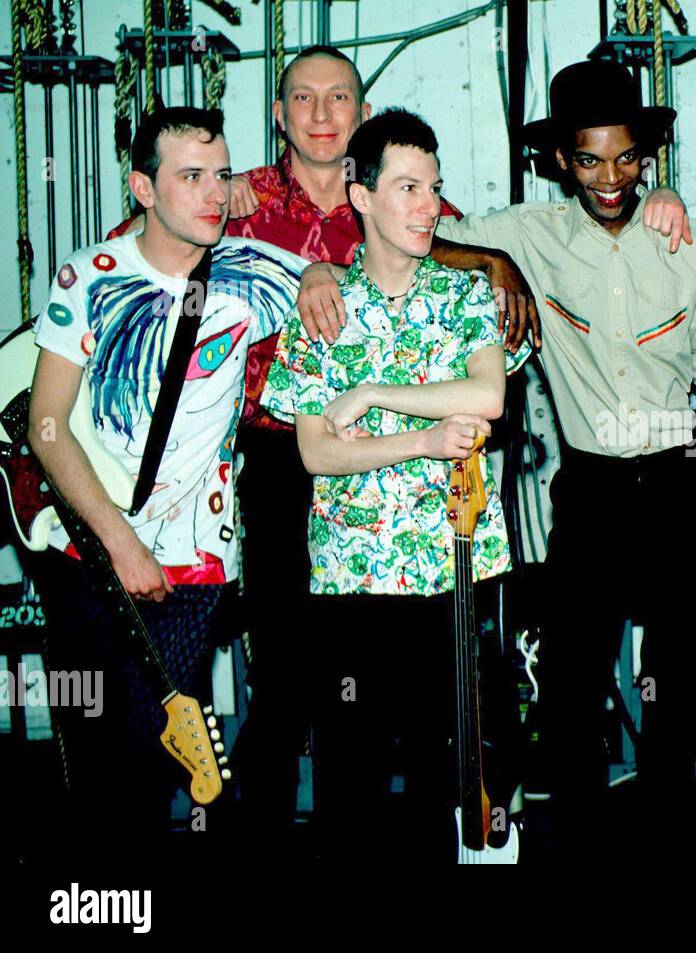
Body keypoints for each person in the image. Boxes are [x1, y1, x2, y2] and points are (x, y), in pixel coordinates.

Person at [299, 59, 696, 856]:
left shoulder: (686, 240)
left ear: (646, 155)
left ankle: (672, 843)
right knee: (568, 695)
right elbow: (423, 235)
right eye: (590, 158)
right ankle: (581, 846)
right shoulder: (524, 232)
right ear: (560, 159)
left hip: (679, 484)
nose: (611, 176)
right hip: (593, 487)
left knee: (675, 692)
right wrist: (330, 268)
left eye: (628, 157)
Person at [26, 107, 307, 848]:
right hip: (85, 555)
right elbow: (45, 427)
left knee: (152, 759)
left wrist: (491, 264)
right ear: (142, 188)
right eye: (190, 177)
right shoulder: (89, 275)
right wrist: (120, 542)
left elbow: (370, 275)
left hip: (194, 566)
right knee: (91, 764)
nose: (214, 194)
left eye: (221, 175)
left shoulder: (252, 276)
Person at [260, 108, 517, 859]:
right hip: (353, 581)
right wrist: (425, 439)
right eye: (407, 187)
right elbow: (315, 454)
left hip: (457, 570)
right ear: (361, 195)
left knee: (461, 774)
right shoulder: (320, 309)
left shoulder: (465, 296)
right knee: (352, 781)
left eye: (434, 188)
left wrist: (371, 394)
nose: (428, 205)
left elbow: (489, 397)